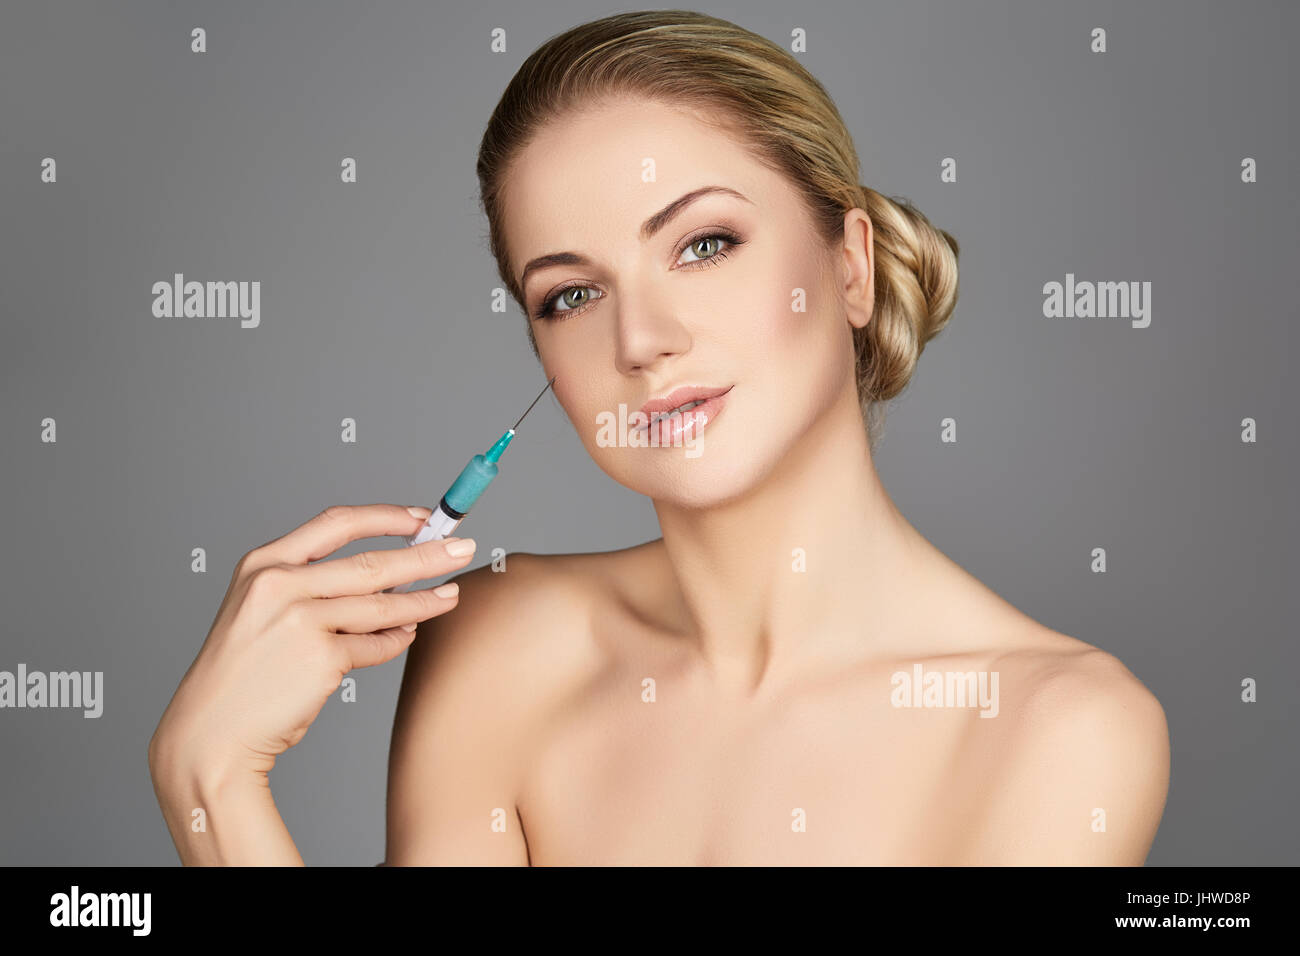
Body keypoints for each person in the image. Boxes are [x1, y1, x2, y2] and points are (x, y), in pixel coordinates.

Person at [150, 10, 1169, 865]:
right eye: (571, 293)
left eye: (703, 243)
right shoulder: (501, 640)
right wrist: (210, 775)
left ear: (849, 267)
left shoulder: (1061, 728)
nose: (641, 340)